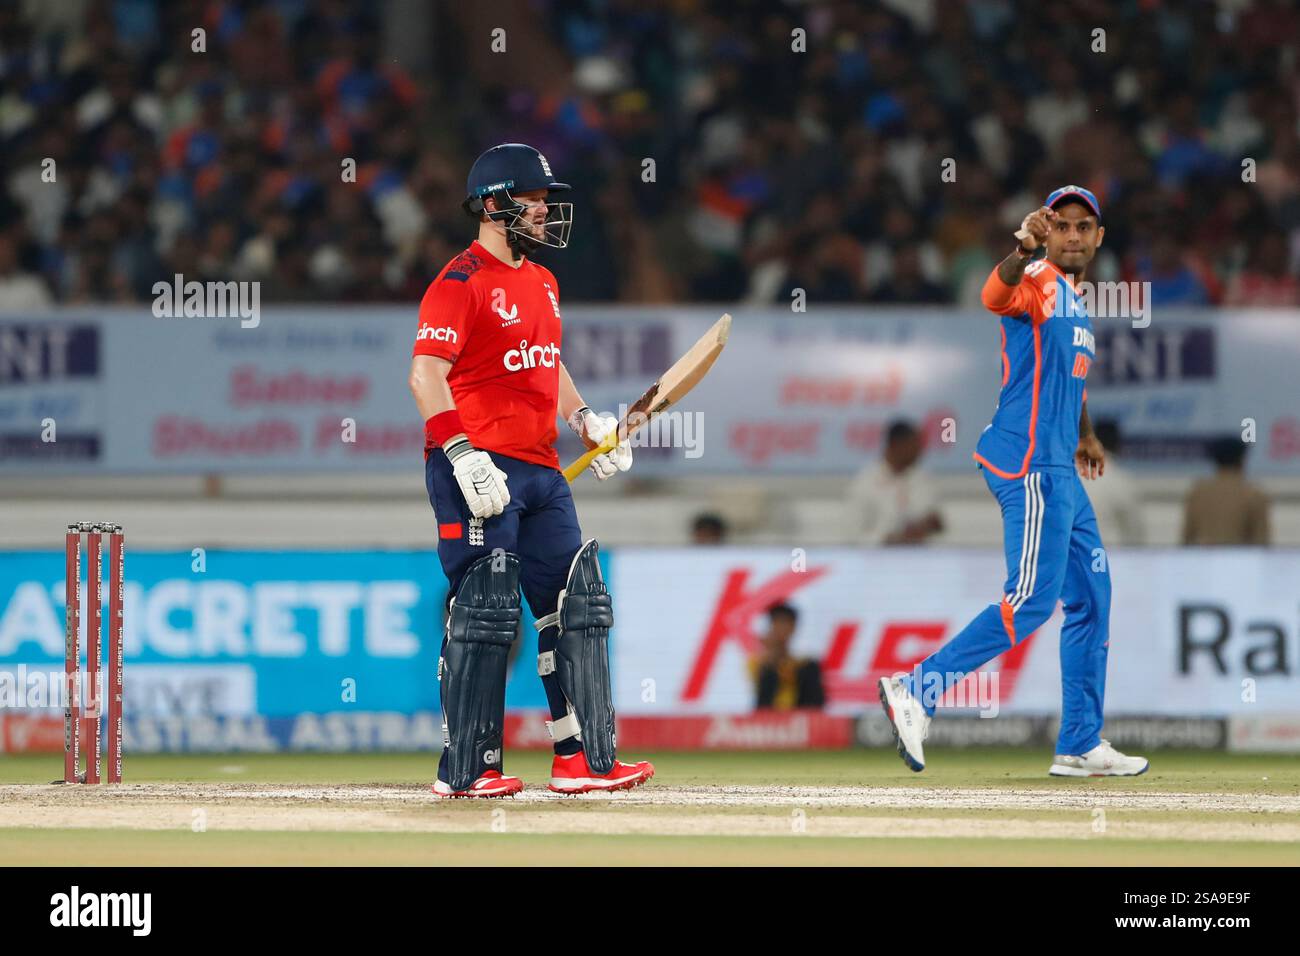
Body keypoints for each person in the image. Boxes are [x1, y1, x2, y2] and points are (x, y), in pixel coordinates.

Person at [408, 143, 654, 798]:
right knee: (484, 613)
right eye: (534, 198)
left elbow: (548, 364)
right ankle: (467, 767)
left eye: (547, 199)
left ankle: (581, 760)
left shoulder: (543, 283)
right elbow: (425, 374)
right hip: (478, 467)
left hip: (542, 469)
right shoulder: (459, 282)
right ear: (494, 205)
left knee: (574, 608)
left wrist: (586, 423)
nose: (546, 209)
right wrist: (461, 454)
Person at [879, 186, 1148, 777]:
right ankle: (917, 690)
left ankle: (1080, 743)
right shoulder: (1038, 278)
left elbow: (1068, 380)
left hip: (1061, 470)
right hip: (1028, 465)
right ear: (1048, 233)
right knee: (1030, 600)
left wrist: (1085, 434)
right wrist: (1020, 248)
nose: (1073, 236)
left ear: (1099, 238)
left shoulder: (1077, 302)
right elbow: (992, 294)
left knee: (1092, 600)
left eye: (1084, 227)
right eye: (1063, 226)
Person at [846, 419, 943, 545]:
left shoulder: (923, 480)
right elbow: (853, 535)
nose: (920, 452)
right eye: (914, 445)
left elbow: (938, 523)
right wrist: (890, 540)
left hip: (921, 558)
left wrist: (927, 525)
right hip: (878, 559)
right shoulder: (865, 483)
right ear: (896, 445)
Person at [1182, 437, 1271, 545]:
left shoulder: (1197, 493)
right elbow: (1261, 541)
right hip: (1241, 559)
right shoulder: (1254, 495)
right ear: (1242, 459)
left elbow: (1186, 540)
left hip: (1204, 559)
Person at [750, 605, 825, 710]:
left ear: (793, 627)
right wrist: (772, 652)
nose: (782, 628)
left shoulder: (803, 664)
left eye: (786, 623)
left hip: (798, 715)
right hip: (768, 718)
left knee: (811, 668)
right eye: (777, 622)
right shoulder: (757, 662)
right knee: (768, 672)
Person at [1084, 419, 1145, 546]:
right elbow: (1135, 533)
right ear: (1118, 446)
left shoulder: (1074, 478)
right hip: (1112, 557)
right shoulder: (1122, 482)